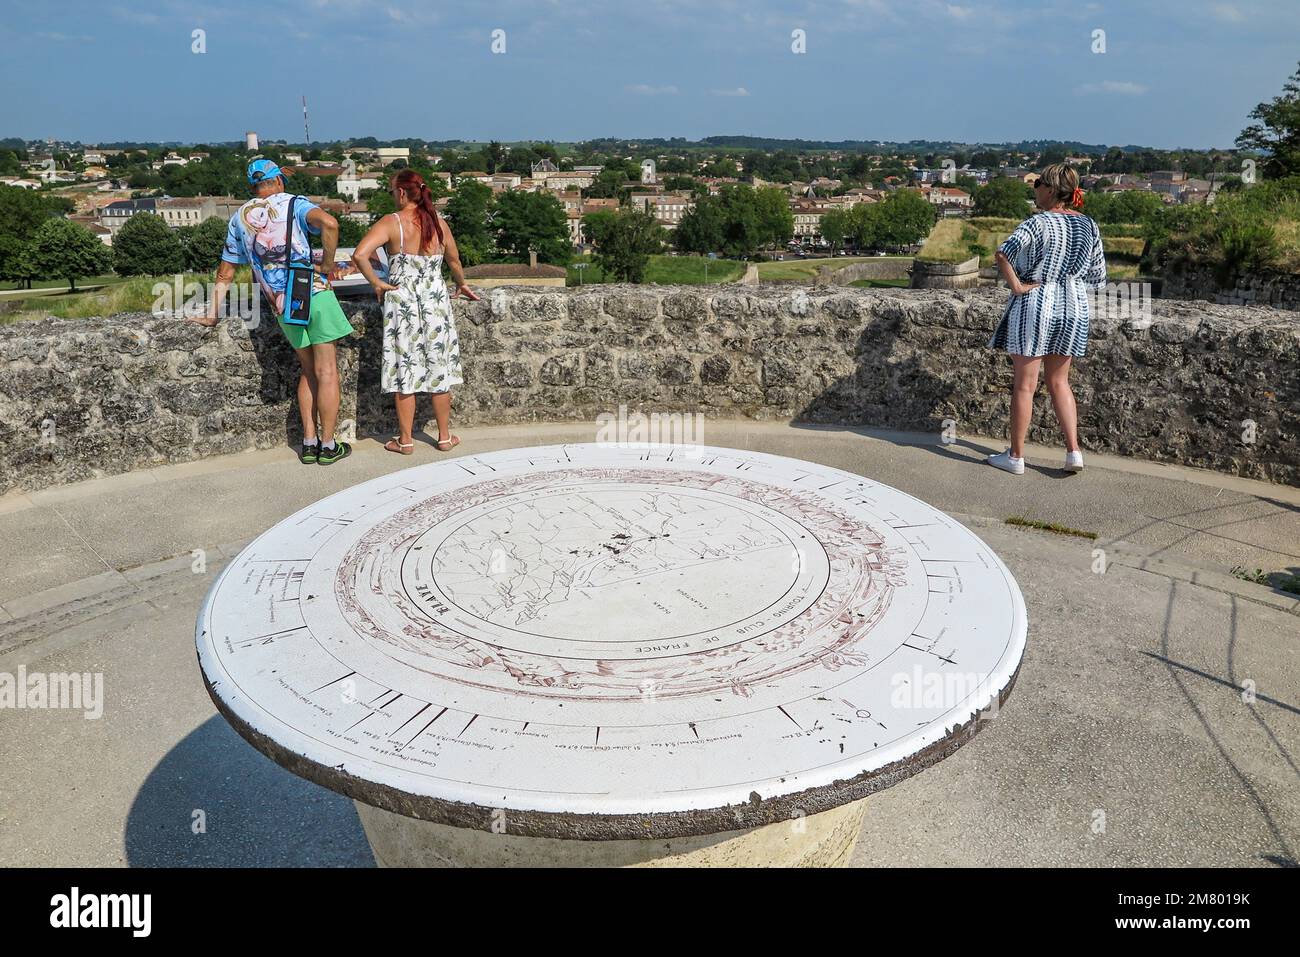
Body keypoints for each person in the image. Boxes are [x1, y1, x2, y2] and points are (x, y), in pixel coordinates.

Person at [192, 158, 354, 466]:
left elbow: (226, 272)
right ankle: (329, 446)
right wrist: (329, 265)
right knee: (327, 372)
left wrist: (212, 314)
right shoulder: (294, 203)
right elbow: (330, 224)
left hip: (281, 302)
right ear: (278, 180)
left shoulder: (239, 217)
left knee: (308, 372)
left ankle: (308, 442)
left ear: (253, 186)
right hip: (314, 293)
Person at [986, 162, 1106, 476]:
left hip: (1037, 302)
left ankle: (1015, 457)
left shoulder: (1038, 223)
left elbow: (1003, 253)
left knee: (1025, 385)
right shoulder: (1089, 225)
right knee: (1059, 382)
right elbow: (1097, 277)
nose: (1034, 188)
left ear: (1050, 190)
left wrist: (1017, 286)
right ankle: (1073, 452)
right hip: (1073, 307)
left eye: (1037, 182)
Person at [351, 170, 479, 455]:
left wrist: (378, 283)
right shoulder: (438, 223)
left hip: (402, 302)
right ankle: (444, 437)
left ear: (400, 193)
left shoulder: (391, 223)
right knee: (439, 369)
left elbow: (359, 254)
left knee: (403, 370)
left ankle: (406, 440)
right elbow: (455, 261)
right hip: (435, 302)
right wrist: (462, 285)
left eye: (390, 191)